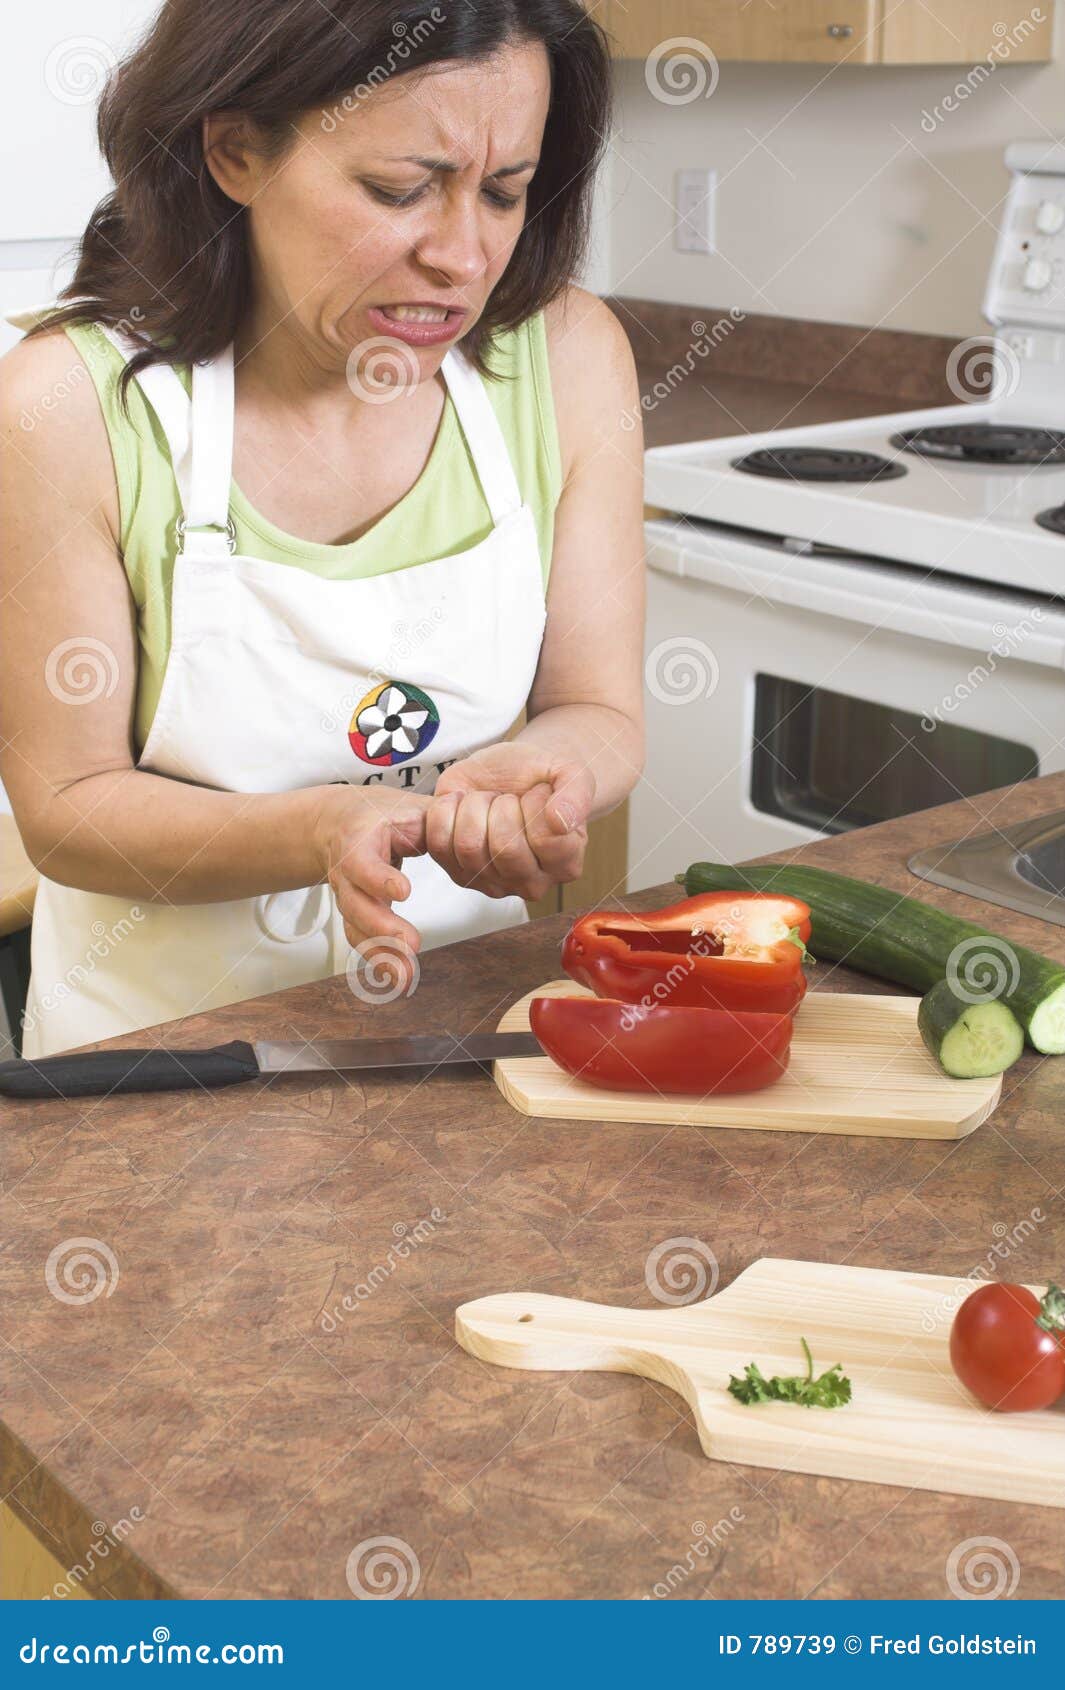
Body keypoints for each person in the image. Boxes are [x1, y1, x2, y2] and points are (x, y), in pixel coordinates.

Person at [0, 0, 645, 1059]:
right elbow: (67, 805)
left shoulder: (564, 360)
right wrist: (323, 827)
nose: (463, 256)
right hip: (156, 1069)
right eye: (400, 190)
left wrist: (545, 772)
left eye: (504, 193)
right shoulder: (69, 405)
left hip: (465, 1042)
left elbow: (600, 707)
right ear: (237, 147)